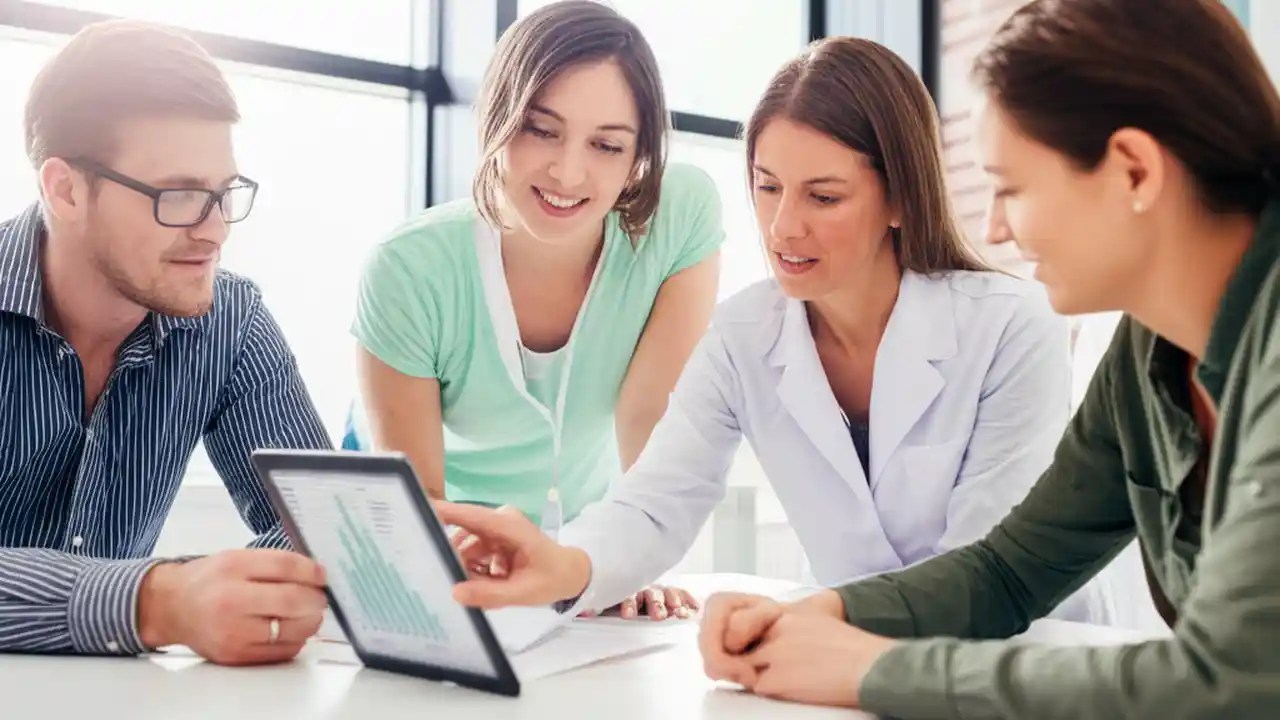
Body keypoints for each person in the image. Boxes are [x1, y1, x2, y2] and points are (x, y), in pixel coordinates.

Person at [687, 0, 1280, 715]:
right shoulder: (1148, 352)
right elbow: (1009, 570)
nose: (995, 227)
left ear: (1133, 171)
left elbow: (1231, 681)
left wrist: (868, 670)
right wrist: (826, 616)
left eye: (1012, 188)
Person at [435, 34, 1123, 624]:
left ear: (900, 199)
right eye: (767, 187)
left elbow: (983, 569)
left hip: (1025, 664)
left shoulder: (1011, 327)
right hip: (849, 662)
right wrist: (563, 565)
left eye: (823, 196)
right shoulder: (743, 335)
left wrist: (809, 624)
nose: (783, 227)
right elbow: (656, 501)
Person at [348, 1, 722, 618]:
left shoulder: (678, 217)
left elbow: (649, 419)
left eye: (607, 145)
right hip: (451, 557)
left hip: (584, 549)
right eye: (541, 130)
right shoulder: (409, 268)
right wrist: (516, 571)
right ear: (496, 116)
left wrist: (618, 564)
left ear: (637, 157)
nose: (568, 172)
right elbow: (417, 505)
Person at [0, 21, 331, 665]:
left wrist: (235, 593)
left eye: (223, 194)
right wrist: (155, 601)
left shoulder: (230, 321)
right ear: (65, 190)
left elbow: (317, 526)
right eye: (179, 196)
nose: (215, 231)